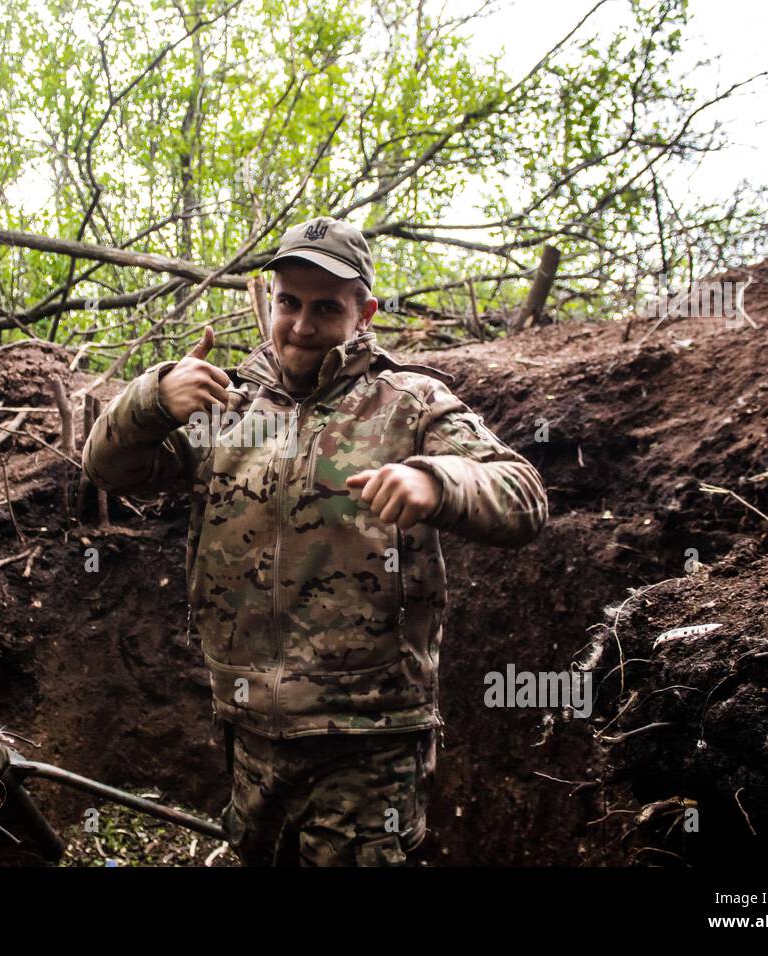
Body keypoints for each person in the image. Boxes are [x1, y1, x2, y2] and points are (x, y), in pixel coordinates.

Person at [82, 215, 548, 865]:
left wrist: (439, 482)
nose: (300, 326)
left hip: (370, 740)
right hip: (247, 729)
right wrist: (150, 400)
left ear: (365, 314)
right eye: (288, 303)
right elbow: (107, 469)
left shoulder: (409, 402)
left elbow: (524, 495)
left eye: (325, 308)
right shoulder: (228, 409)